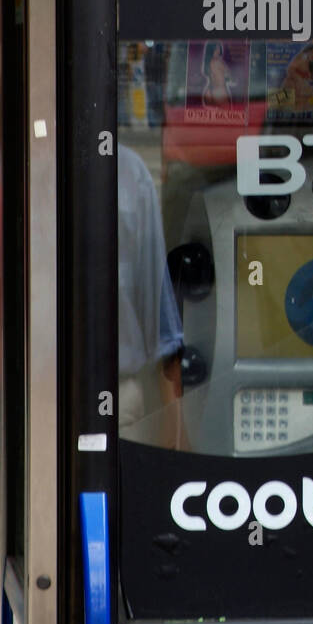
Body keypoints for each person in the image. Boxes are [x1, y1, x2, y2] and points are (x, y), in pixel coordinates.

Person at [118, 144, 184, 448]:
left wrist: (174, 426)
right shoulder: (129, 172)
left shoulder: (129, 172)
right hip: (37, 390)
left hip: (118, 391)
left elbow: (158, 313)